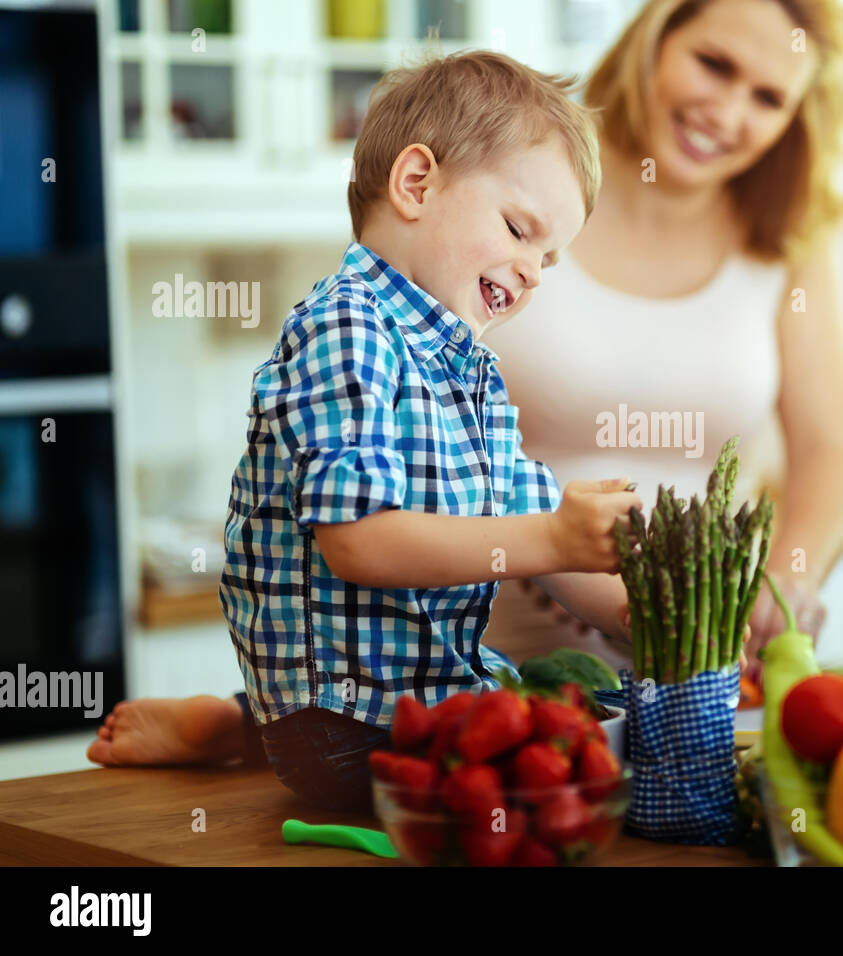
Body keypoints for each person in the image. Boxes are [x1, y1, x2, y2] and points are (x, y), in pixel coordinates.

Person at [89, 50, 641, 811]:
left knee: (577, 717)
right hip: (343, 728)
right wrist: (552, 539)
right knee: (571, 754)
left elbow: (538, 528)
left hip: (404, 702)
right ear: (416, 184)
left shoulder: (467, 369)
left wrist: (634, 602)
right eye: (519, 230)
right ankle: (267, 734)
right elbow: (358, 542)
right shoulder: (349, 326)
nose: (536, 272)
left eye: (549, 258)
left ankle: (232, 729)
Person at [480, 0, 843, 673]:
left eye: (768, 97)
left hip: (705, 665)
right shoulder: (515, 178)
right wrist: (547, 553)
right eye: (714, 65)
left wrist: (785, 582)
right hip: (497, 666)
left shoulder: (791, 237)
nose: (725, 113)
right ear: (654, 40)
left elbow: (832, 449)